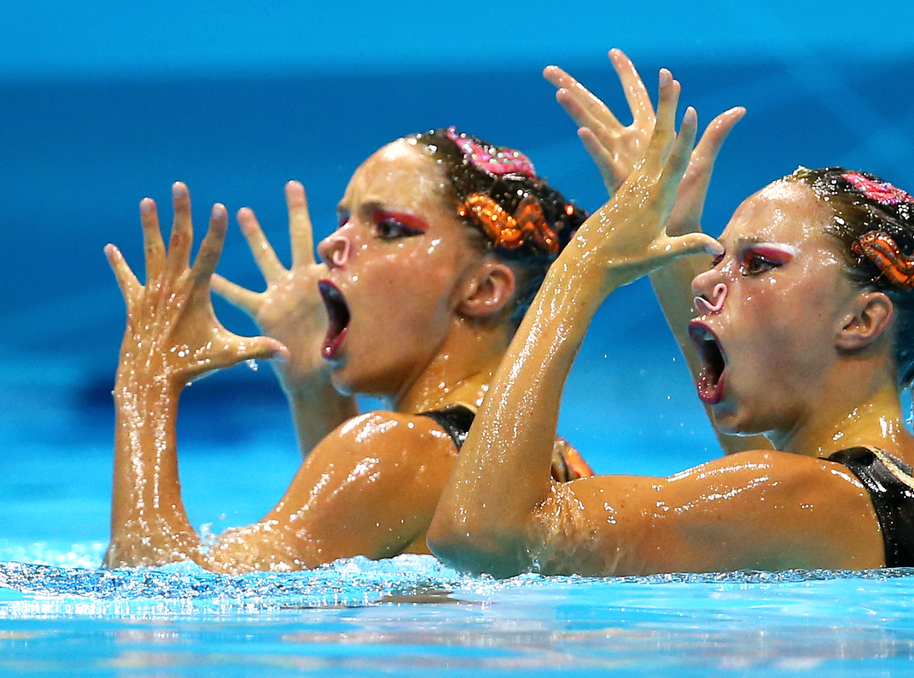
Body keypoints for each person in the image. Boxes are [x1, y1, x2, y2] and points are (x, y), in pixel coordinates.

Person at [427, 64, 914, 577]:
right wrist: (674, 243)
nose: (708, 278)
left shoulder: (805, 497)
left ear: (860, 319)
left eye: (758, 264)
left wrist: (582, 267)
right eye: (717, 257)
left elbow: (485, 537)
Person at [103, 128, 591, 573]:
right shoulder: (554, 461)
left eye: (389, 228)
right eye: (343, 221)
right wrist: (313, 386)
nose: (332, 243)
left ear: (483, 289)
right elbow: (366, 538)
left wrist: (146, 383)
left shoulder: (393, 450)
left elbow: (160, 591)